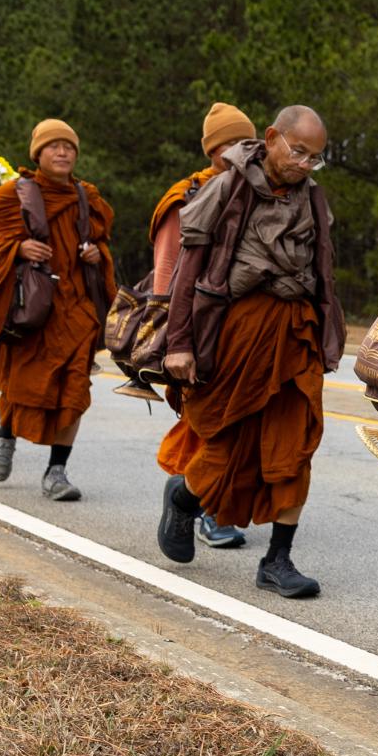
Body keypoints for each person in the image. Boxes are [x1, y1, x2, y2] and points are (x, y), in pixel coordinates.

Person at [157, 105, 342, 599]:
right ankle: (184, 496)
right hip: (238, 331)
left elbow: (324, 272)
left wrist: (329, 334)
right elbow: (188, 272)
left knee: (295, 447)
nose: (305, 163)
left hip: (295, 333)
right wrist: (179, 344)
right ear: (272, 138)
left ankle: (277, 560)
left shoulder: (312, 198)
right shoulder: (228, 188)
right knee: (228, 444)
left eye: (315, 157)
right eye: (298, 151)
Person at [0, 119, 114, 500]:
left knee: (75, 391)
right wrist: (17, 249)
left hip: (76, 310)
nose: (62, 153)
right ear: (38, 154)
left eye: (69, 147)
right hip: (33, 308)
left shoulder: (85, 196)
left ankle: (56, 472)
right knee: (21, 384)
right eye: (54, 147)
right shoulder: (15, 193)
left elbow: (101, 240)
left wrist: (97, 253)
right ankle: (7, 435)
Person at [151, 102, 257, 552]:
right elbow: (168, 267)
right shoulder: (189, 194)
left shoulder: (261, 189)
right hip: (200, 326)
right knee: (209, 423)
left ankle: (209, 503)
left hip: (247, 327)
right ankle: (204, 507)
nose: (236, 151)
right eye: (227, 144)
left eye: (243, 142)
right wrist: (173, 338)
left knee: (241, 421)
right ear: (212, 150)